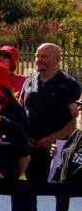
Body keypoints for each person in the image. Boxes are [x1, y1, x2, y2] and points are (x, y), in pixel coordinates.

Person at [20, 43, 81, 183]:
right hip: (31, 149)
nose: (39, 59)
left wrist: (52, 138)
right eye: (37, 56)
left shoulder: (68, 85)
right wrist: (25, 135)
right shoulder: (29, 81)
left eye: (45, 56)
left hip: (55, 151)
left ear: (57, 59)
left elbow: (77, 119)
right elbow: (20, 111)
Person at [51, 108, 82, 185]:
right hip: (66, 191)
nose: (79, 108)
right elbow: (65, 159)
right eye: (79, 104)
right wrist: (55, 178)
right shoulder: (78, 132)